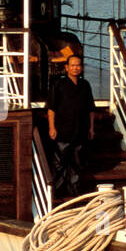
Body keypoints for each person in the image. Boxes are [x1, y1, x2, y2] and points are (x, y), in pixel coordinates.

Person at [47, 54, 95, 201]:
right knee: (59, 163)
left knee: (77, 163)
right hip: (62, 131)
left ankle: (74, 191)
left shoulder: (85, 85)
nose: (75, 68)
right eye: (72, 65)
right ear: (67, 68)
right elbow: (51, 109)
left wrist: (91, 128)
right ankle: (57, 193)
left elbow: (91, 109)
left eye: (78, 65)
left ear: (82, 68)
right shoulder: (58, 84)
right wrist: (51, 127)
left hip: (80, 130)